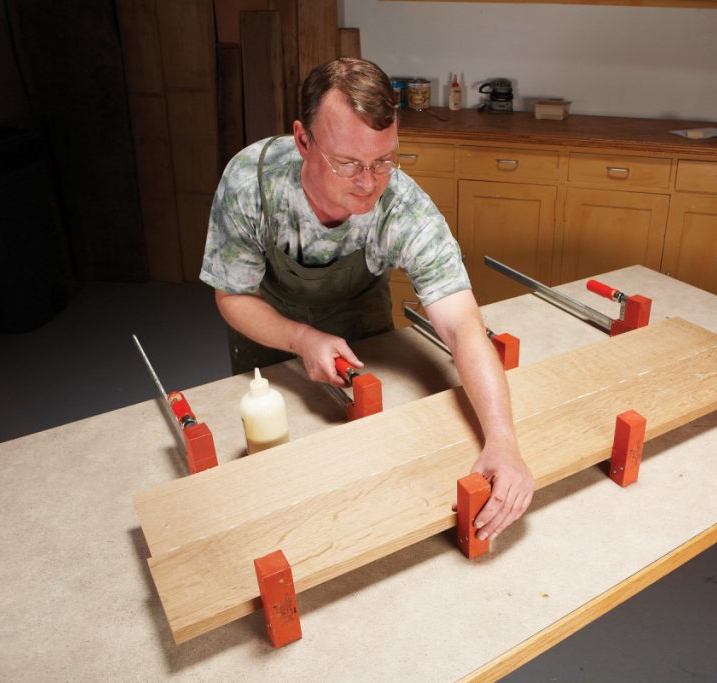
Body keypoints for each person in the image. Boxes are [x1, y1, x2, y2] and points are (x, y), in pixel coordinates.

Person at [200, 58, 533, 543]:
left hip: (363, 335)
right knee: (273, 488)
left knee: (369, 478)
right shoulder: (251, 182)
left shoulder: (402, 206)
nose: (368, 182)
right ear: (303, 141)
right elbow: (232, 296)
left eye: (383, 161)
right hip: (268, 334)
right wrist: (301, 337)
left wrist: (503, 440)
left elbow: (463, 325)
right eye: (348, 163)